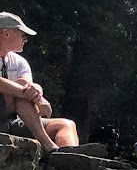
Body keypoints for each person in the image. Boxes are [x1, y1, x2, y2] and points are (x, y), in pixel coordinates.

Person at [0, 12, 79, 152]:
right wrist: (33, 96)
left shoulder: (19, 62)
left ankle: (70, 158)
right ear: (6, 33)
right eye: (21, 34)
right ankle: (48, 145)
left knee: (66, 125)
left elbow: (28, 86)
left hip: (12, 119)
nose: (25, 39)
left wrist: (36, 92)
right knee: (21, 90)